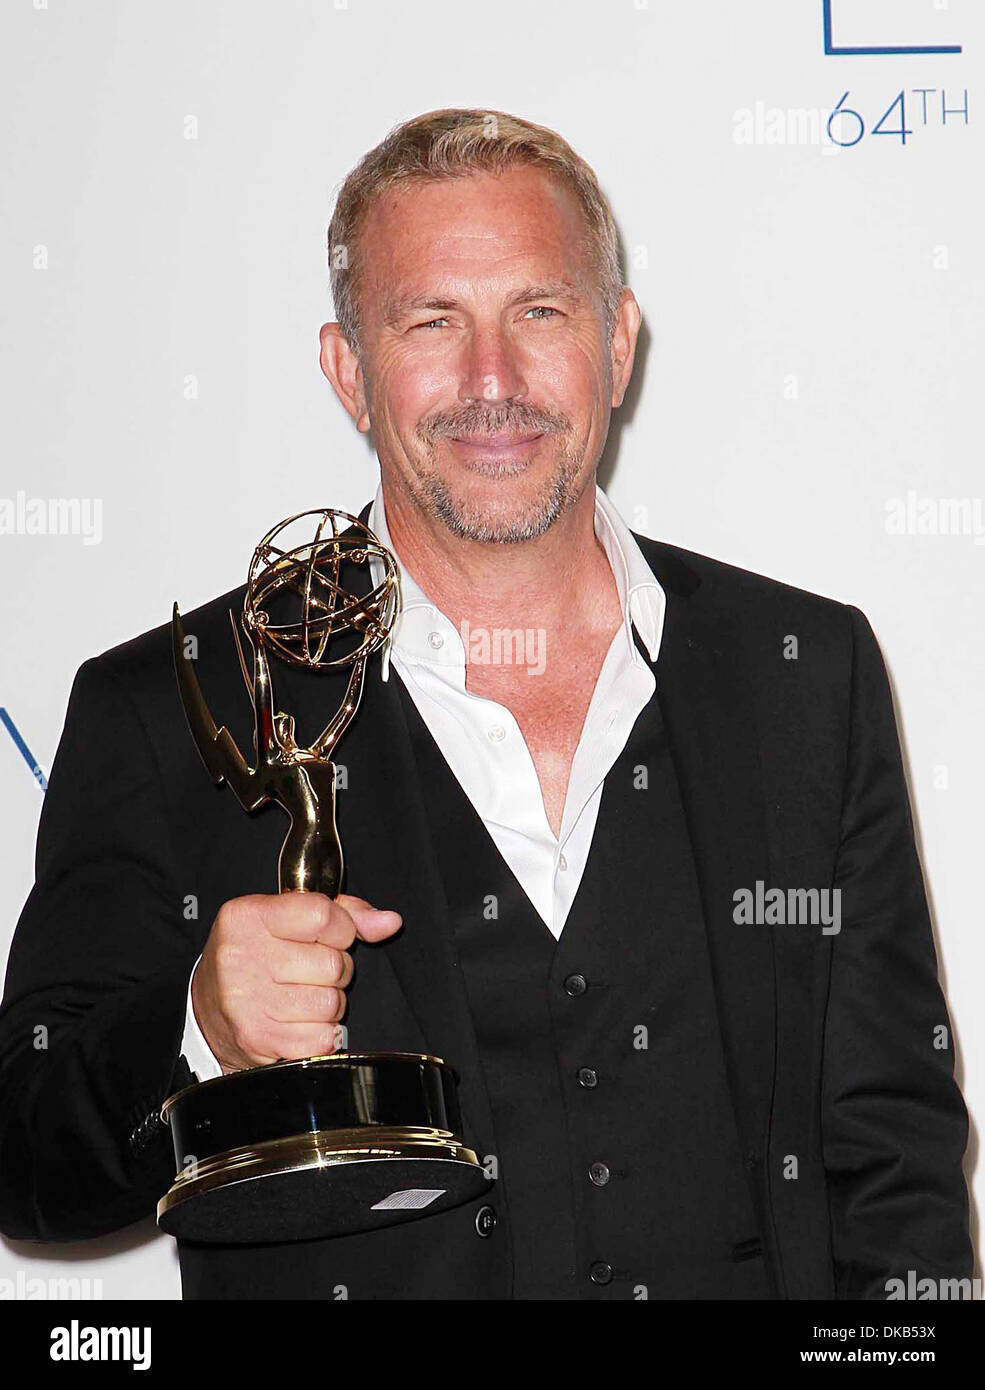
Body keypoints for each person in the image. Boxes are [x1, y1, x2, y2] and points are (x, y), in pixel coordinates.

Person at [0, 108, 972, 1300]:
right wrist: (197, 1028)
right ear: (348, 370)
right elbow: (24, 1160)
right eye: (431, 323)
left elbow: (896, 1162)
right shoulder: (171, 705)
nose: (492, 383)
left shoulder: (799, 672)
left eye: (540, 312)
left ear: (617, 343)